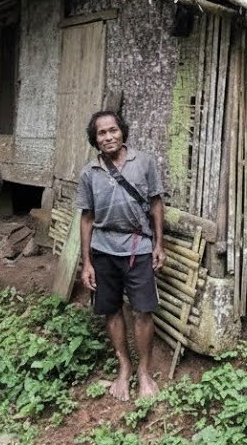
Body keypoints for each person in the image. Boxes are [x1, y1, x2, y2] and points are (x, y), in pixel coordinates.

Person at [77, 110, 165, 400]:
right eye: (101, 133)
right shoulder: (89, 172)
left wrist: (158, 244)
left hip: (138, 248)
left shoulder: (145, 162)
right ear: (95, 139)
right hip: (103, 251)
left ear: (122, 131)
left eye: (113, 130)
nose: (108, 137)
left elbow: (155, 204)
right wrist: (87, 262)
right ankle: (124, 368)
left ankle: (144, 373)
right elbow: (87, 218)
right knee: (111, 309)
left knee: (142, 310)